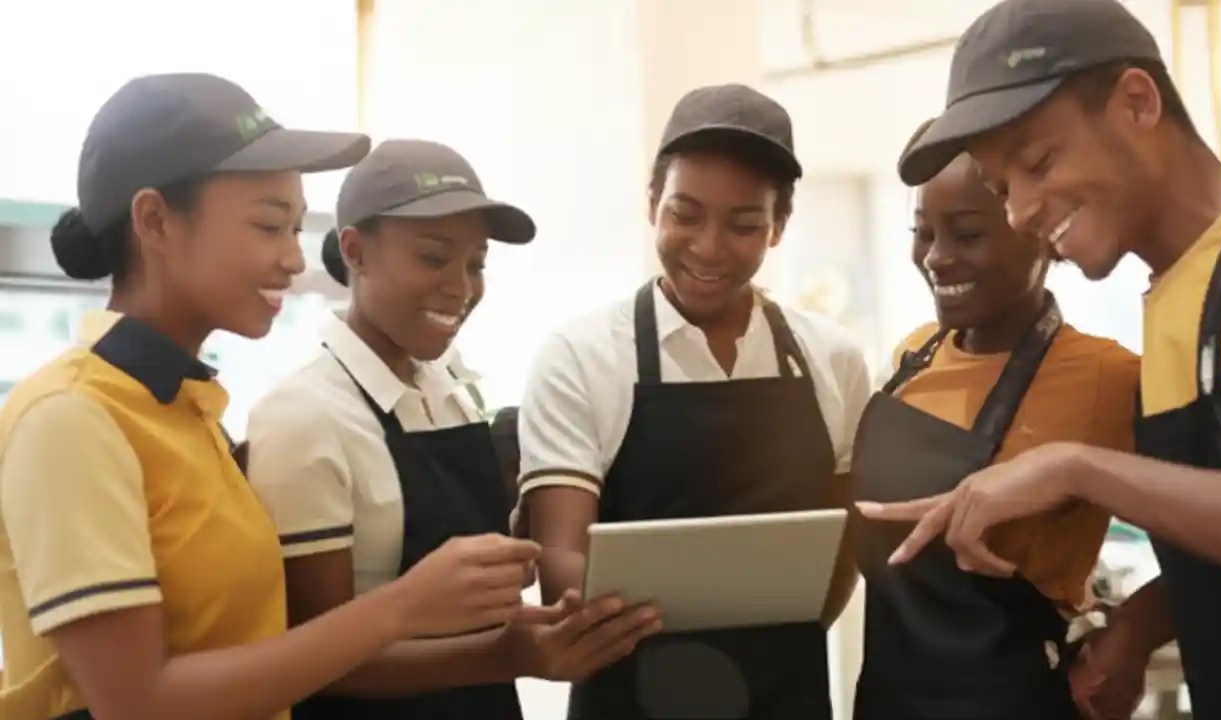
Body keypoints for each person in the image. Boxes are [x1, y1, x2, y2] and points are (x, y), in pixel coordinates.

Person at [0, 73, 543, 720]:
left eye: (294, 229)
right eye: (268, 226)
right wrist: (402, 608)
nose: (292, 260)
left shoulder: (187, 413)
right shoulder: (72, 419)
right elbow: (136, 701)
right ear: (155, 221)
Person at [863, 0, 1221, 717]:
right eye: (1002, 189)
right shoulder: (1177, 295)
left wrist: (1073, 467)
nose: (1022, 209)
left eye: (1039, 162)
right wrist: (1138, 628)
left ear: (1137, 103)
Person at [244, 139, 660, 719]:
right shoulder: (305, 417)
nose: (463, 287)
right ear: (356, 251)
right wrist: (504, 654)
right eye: (434, 259)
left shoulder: (452, 393)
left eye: (476, 264)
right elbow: (313, 660)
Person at [517, 83, 871, 720]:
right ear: (653, 204)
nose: (708, 248)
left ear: (779, 227)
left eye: (744, 225)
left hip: (786, 699)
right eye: (685, 214)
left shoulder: (834, 360)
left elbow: (842, 553)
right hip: (628, 696)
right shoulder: (583, 356)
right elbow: (564, 568)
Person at [847, 117, 1139, 720]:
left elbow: (1213, 543)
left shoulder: (1110, 378)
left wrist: (1131, 637)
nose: (936, 258)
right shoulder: (912, 354)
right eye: (922, 232)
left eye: (967, 234)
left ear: (1038, 232)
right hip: (888, 700)